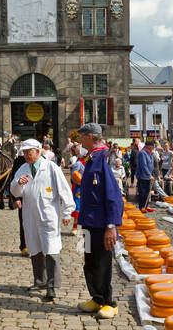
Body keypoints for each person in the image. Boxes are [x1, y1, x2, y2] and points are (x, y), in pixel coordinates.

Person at [11, 138, 74, 302]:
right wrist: (18, 183)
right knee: (34, 247)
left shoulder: (51, 168)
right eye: (24, 152)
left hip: (48, 215)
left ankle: (51, 285)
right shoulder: (23, 169)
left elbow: (65, 190)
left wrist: (68, 212)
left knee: (51, 248)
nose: (26, 155)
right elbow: (14, 190)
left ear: (38, 152)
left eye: (29, 152)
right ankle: (40, 281)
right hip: (30, 214)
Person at [74, 123, 123, 319]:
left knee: (102, 263)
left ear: (90, 137)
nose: (80, 140)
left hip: (102, 224)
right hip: (88, 221)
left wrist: (111, 226)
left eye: (82, 136)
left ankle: (108, 301)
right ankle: (96, 297)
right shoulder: (92, 158)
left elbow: (113, 195)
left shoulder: (104, 158)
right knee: (89, 260)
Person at [134, 135, 157, 210]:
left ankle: (146, 206)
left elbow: (151, 164)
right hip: (142, 176)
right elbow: (144, 165)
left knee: (147, 192)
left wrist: (152, 174)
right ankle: (142, 207)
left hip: (148, 176)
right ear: (148, 146)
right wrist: (149, 175)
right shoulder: (142, 153)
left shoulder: (150, 153)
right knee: (142, 192)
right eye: (152, 147)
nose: (153, 148)